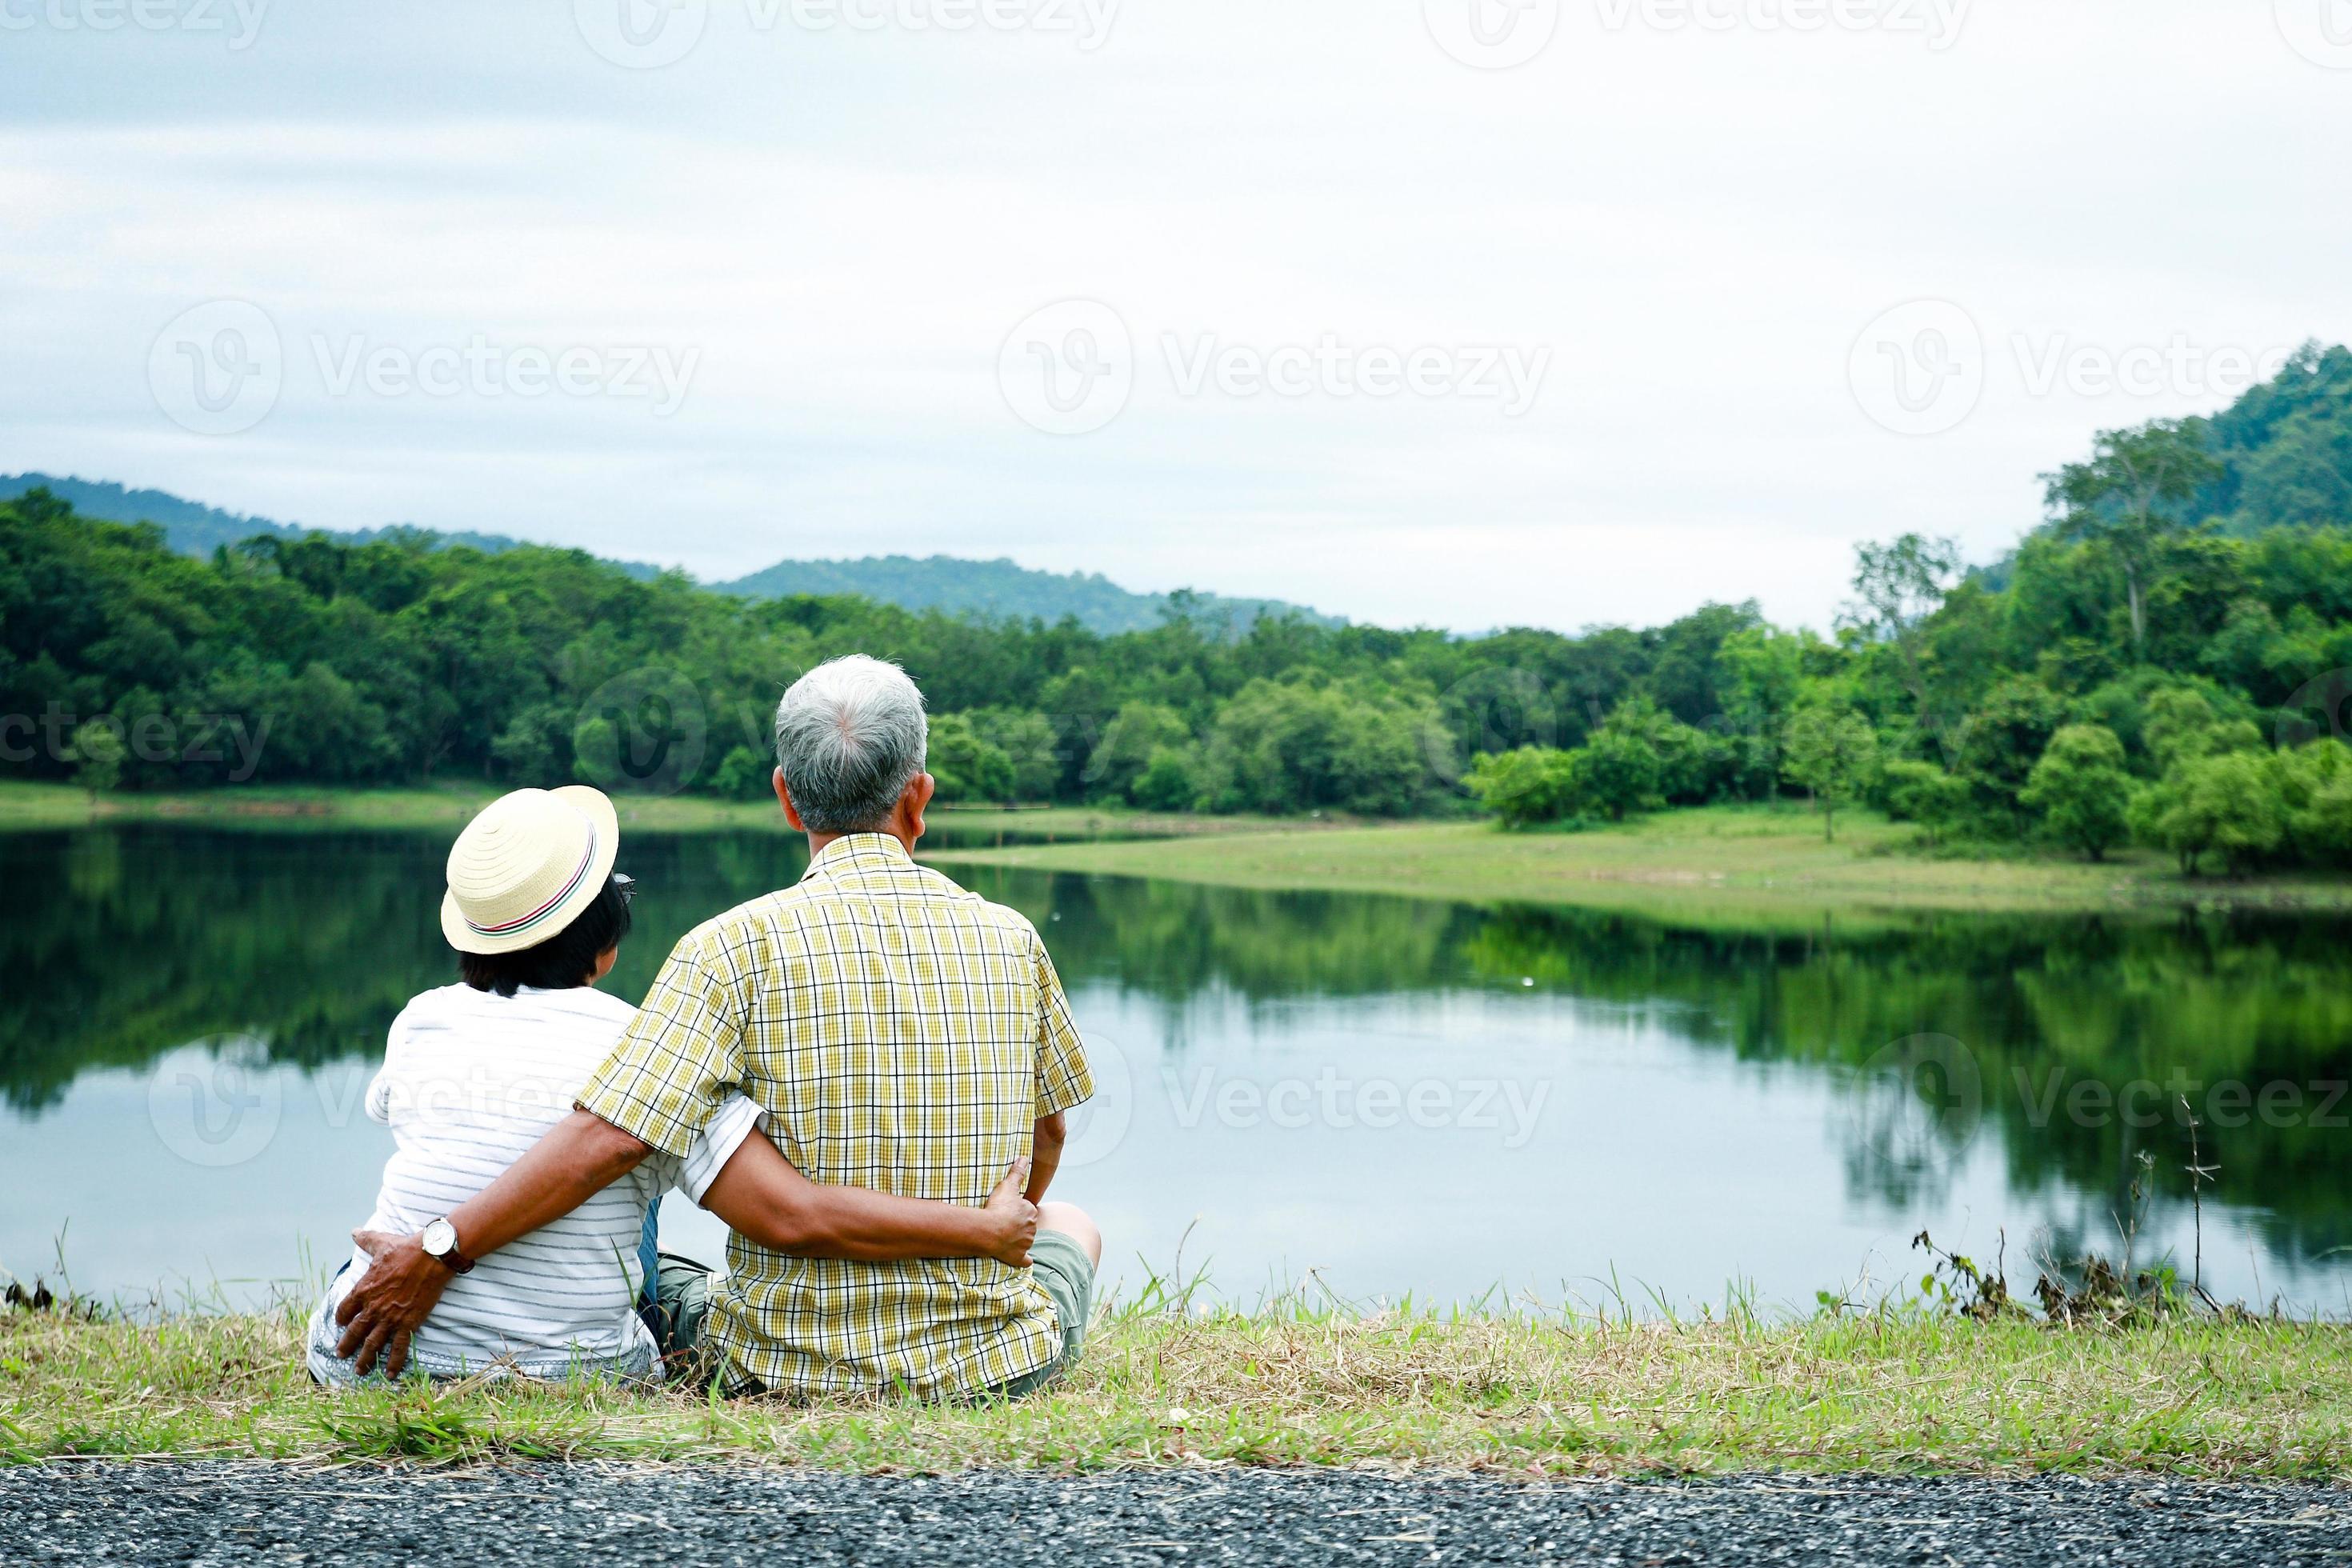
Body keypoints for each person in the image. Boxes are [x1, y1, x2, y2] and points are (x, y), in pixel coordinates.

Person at [334, 657, 1101, 1398]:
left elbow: (617, 1136)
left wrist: (439, 1247)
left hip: (782, 1363)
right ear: (920, 797)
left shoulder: (724, 949)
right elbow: (1049, 1135)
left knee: (658, 1275)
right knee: (1073, 1224)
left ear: (787, 799)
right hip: (990, 1362)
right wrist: (989, 1235)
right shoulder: (1012, 937)